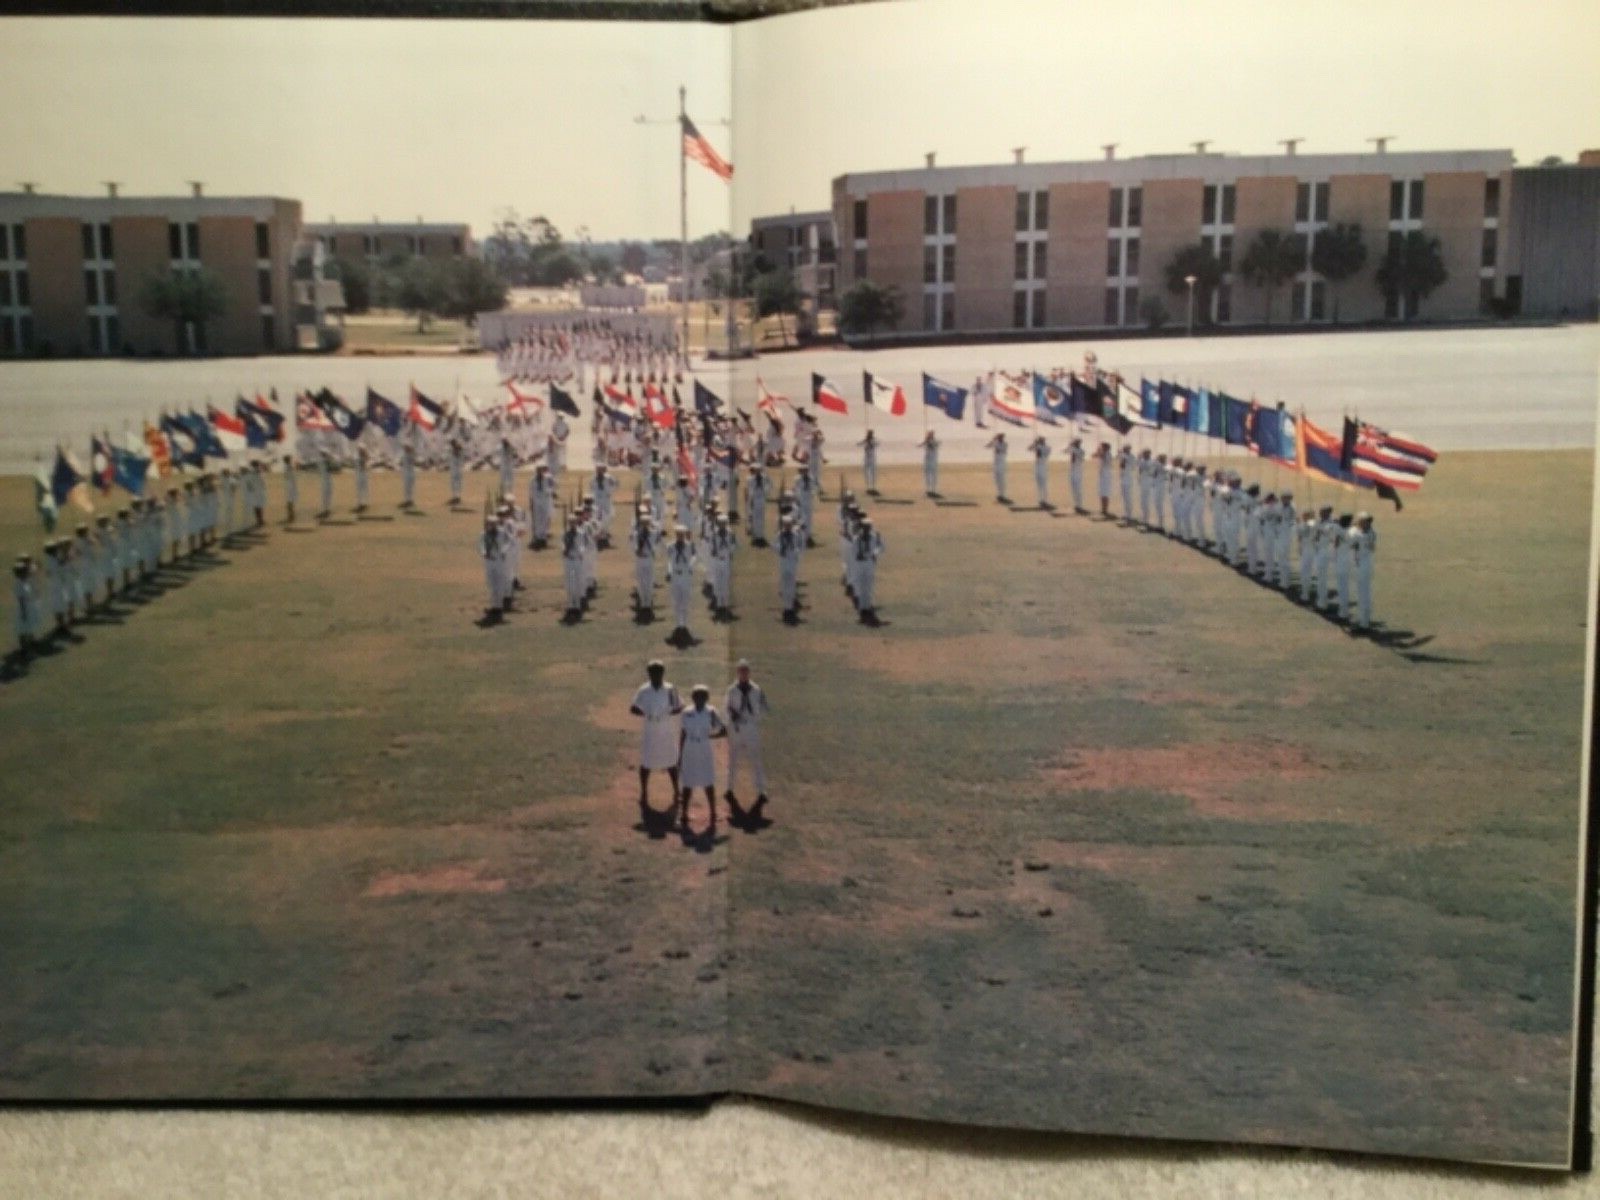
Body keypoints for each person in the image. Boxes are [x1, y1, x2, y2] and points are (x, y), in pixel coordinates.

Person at [630, 660, 684, 816]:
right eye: (653, 673)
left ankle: (676, 791)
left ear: (663, 673)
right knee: (646, 761)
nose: (656, 676)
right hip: (650, 729)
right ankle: (644, 792)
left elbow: (679, 706)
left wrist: (667, 712)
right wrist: (646, 713)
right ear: (649, 674)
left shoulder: (670, 689)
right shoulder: (644, 690)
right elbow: (633, 707)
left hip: (666, 728)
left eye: (658, 673)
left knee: (671, 761)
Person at [676, 684, 727, 834]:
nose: (700, 699)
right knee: (688, 782)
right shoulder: (686, 713)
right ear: (693, 698)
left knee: (708, 781)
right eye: (697, 696)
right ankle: (684, 814)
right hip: (690, 747)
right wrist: (680, 753)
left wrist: (711, 736)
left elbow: (724, 730)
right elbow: (683, 733)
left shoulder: (711, 712)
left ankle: (713, 813)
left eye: (703, 696)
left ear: (707, 698)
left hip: (704, 747)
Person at [724, 659, 769, 812]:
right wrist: (731, 718)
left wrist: (756, 719)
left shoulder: (757, 690)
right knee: (732, 759)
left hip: (751, 727)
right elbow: (726, 708)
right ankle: (729, 788)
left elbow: (764, 707)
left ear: (749, 673)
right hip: (736, 728)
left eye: (745, 671)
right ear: (737, 673)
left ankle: (761, 790)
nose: (743, 674)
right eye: (741, 671)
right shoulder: (731, 690)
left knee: (755, 759)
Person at [665, 524, 696, 641]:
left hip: (685, 575)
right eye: (678, 535)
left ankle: (685, 624)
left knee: (685, 601)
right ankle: (679, 624)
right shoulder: (670, 546)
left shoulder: (689, 546)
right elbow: (669, 561)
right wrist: (669, 572)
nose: (680, 537)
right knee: (676, 601)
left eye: (682, 535)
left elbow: (694, 557)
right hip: (675, 575)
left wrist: (690, 566)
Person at [854, 516, 884, 625]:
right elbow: (855, 551)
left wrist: (875, 553)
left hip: (870, 562)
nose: (867, 529)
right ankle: (863, 608)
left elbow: (882, 547)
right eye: (865, 527)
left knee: (869, 585)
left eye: (868, 527)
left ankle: (868, 605)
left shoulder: (875, 536)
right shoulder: (858, 537)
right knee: (862, 585)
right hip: (860, 563)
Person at [1351, 512, 1377, 629]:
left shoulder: (1360, 535)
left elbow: (1351, 542)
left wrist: (1353, 527)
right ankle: (1364, 620)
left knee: (1363, 595)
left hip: (1363, 566)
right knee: (1364, 594)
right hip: (1366, 564)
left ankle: (1364, 623)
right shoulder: (1372, 532)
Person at [777, 514, 802, 624]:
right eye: (785, 525)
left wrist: (795, 552)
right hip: (784, 561)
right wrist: (780, 549)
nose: (787, 527)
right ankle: (786, 607)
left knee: (791, 586)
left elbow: (799, 546)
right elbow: (774, 545)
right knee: (784, 585)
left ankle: (790, 607)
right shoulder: (779, 535)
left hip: (791, 561)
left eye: (789, 525)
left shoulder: (795, 535)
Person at [529, 464, 556, 549]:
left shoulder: (548, 479)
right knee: (537, 520)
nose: (539, 472)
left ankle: (543, 538)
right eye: (538, 470)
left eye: (540, 470)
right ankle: (537, 537)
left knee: (544, 519)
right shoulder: (532, 480)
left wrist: (550, 491)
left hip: (545, 501)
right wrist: (531, 502)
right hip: (536, 502)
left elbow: (554, 485)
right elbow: (531, 492)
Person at [746, 466, 769, 547]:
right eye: (756, 471)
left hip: (761, 500)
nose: (758, 472)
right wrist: (751, 499)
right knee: (755, 519)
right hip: (755, 500)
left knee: (761, 519)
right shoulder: (751, 479)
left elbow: (769, 485)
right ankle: (755, 536)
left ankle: (761, 535)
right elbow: (750, 490)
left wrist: (765, 492)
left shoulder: (764, 478)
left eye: (759, 471)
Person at [986, 431, 1009, 503]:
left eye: (1001, 437)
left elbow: (1001, 451)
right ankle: (999, 495)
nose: (1000, 438)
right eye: (999, 437)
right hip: (996, 464)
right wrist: (993, 440)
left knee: (1002, 480)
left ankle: (1002, 495)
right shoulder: (996, 443)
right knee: (996, 480)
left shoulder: (1005, 444)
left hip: (1001, 464)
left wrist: (994, 442)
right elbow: (987, 446)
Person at [1029, 434, 1052, 508]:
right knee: (1039, 484)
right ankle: (1041, 500)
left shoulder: (1047, 447)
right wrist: (1034, 443)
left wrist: (1035, 444)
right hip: (1037, 466)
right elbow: (1029, 449)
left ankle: (1045, 500)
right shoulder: (1038, 446)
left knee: (1044, 484)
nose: (1040, 441)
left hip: (1043, 466)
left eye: (1041, 440)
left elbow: (1035, 449)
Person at [1067, 438, 1086, 512]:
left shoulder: (1081, 451)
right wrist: (1070, 445)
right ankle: (1076, 505)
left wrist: (1071, 445)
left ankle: (1080, 505)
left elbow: (1071, 452)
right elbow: (1065, 451)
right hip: (1072, 471)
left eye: (1076, 443)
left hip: (1078, 471)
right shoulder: (1073, 449)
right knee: (1073, 488)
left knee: (1078, 489)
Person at [1095, 442, 1113, 518]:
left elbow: (1099, 455)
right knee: (1102, 493)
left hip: (1106, 475)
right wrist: (1099, 450)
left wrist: (1098, 449)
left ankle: (1105, 510)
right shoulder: (1104, 453)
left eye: (1103, 447)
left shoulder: (1107, 454)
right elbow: (1094, 455)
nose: (1101, 448)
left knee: (1105, 493)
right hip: (1103, 475)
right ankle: (1103, 509)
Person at [859, 429, 879, 494]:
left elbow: (875, 444)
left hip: (872, 459)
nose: (869, 435)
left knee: (873, 473)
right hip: (866, 459)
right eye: (868, 434)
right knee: (866, 473)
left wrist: (869, 442)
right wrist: (865, 441)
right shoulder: (866, 441)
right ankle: (868, 487)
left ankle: (873, 487)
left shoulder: (874, 440)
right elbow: (859, 444)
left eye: (870, 434)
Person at [920, 430, 940, 497]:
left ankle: (933, 490)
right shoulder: (925, 442)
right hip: (927, 461)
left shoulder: (936, 441)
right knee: (927, 476)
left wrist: (929, 442)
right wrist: (925, 441)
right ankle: (928, 490)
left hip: (933, 462)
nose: (930, 435)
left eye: (931, 434)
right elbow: (918, 445)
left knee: (934, 476)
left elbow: (935, 445)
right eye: (929, 434)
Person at [448, 436, 465, 507]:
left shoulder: (459, 449)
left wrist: (456, 447)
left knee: (457, 482)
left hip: (458, 467)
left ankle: (457, 497)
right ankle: (455, 496)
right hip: (454, 467)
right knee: (453, 482)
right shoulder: (453, 449)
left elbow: (458, 450)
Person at [400, 441, 417, 509]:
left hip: (409, 473)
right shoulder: (406, 454)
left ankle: (409, 501)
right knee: (406, 488)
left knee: (408, 488)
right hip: (407, 472)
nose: (405, 448)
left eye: (406, 447)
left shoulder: (411, 454)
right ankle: (408, 500)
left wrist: (410, 449)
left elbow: (412, 454)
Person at [353, 447, 370, 514]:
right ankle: (360, 504)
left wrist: (365, 454)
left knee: (365, 489)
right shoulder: (357, 458)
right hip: (359, 475)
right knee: (359, 490)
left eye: (362, 450)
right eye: (360, 450)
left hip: (364, 474)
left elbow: (367, 459)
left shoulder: (364, 457)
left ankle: (364, 504)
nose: (361, 451)